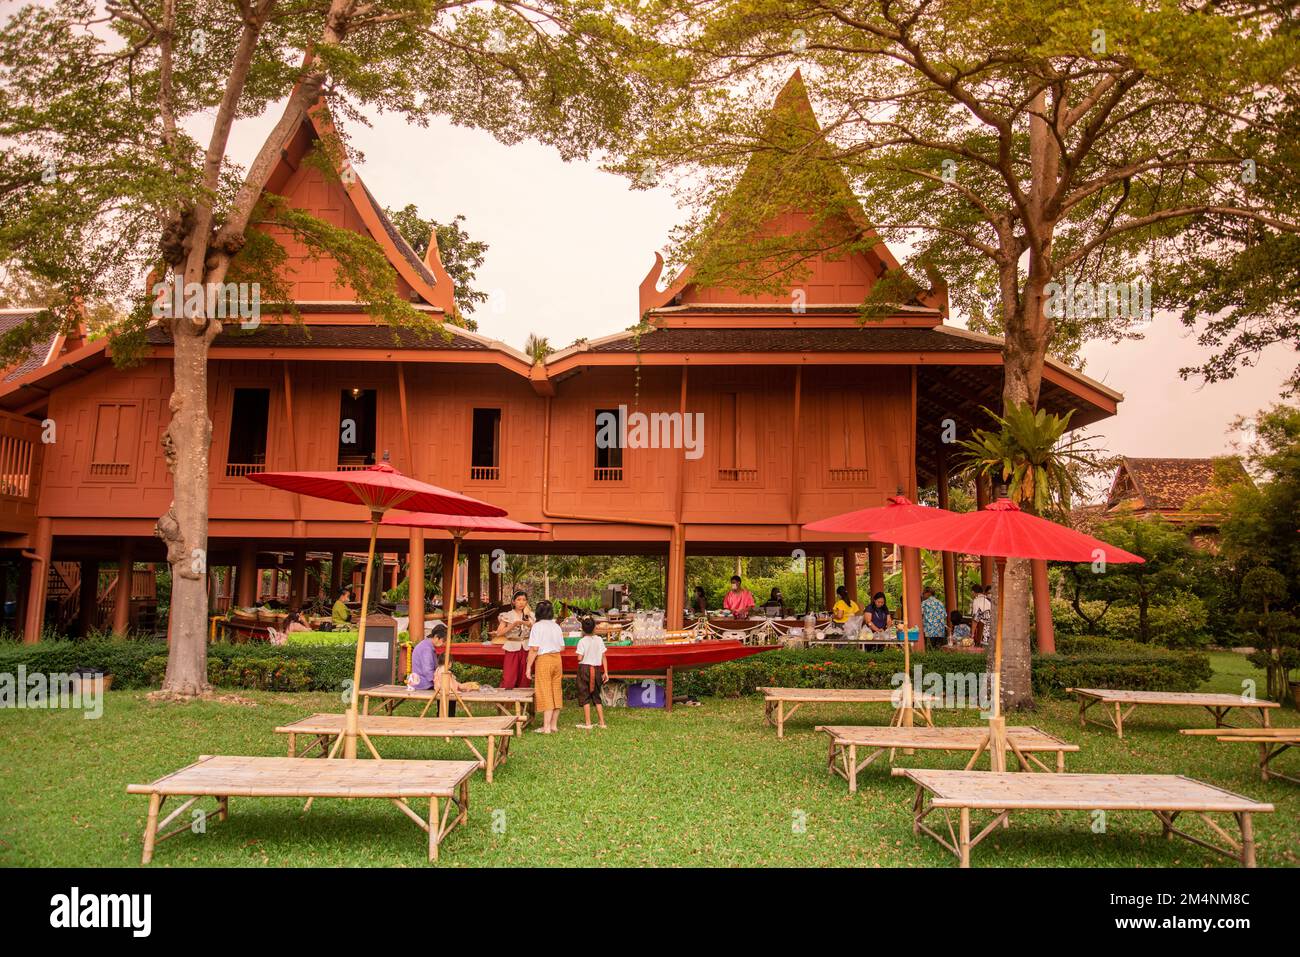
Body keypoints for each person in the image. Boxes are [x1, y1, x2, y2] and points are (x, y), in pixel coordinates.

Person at [525, 599, 565, 734]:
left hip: (544, 660)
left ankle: (546, 727)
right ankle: (553, 725)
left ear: (537, 612)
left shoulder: (537, 626)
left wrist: (528, 667)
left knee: (545, 691)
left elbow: (534, 648)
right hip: (557, 660)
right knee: (556, 690)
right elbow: (562, 647)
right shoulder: (556, 626)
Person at [494, 590, 533, 690]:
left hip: (526, 647)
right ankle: (506, 703)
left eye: (524, 600)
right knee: (509, 677)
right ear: (513, 602)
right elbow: (499, 633)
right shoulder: (507, 615)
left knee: (524, 678)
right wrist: (513, 625)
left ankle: (523, 703)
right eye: (518, 600)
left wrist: (530, 624)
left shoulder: (530, 615)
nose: (521, 602)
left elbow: (536, 631)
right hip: (512, 646)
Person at [574, 616, 608, 729]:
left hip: (584, 669)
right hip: (597, 669)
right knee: (596, 696)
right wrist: (606, 672)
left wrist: (580, 655)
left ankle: (588, 723)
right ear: (595, 628)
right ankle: (602, 722)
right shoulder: (599, 640)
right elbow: (604, 657)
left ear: (582, 630)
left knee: (585, 696)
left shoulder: (582, 641)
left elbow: (579, 658)